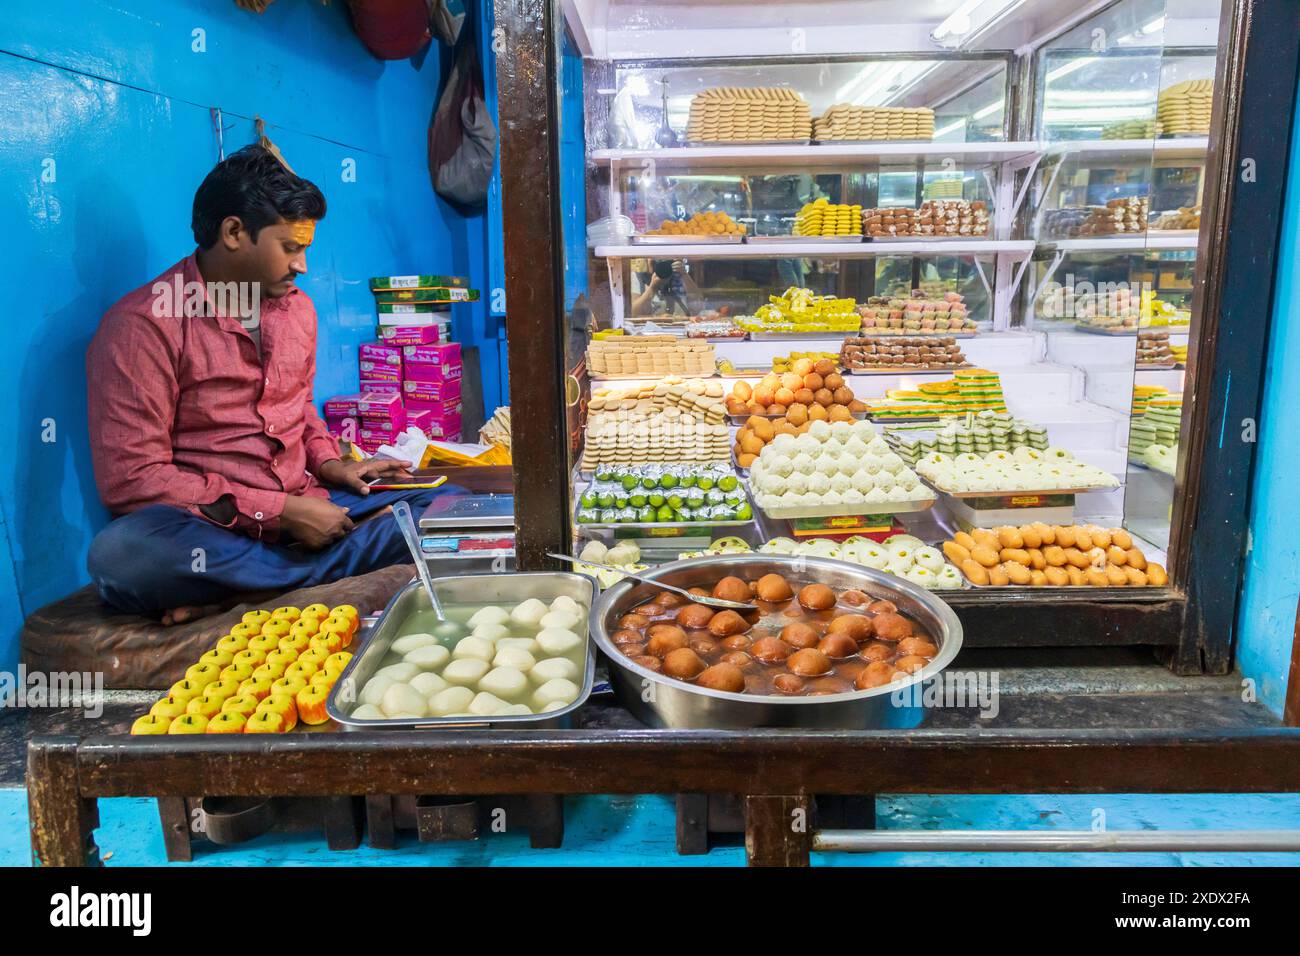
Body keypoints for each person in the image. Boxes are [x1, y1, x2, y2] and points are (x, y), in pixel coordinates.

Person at [85, 145, 449, 623]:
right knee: (122, 557)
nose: (303, 266)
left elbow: (300, 413)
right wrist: (279, 512)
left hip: (308, 504)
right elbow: (133, 479)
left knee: (449, 508)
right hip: (217, 531)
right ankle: (314, 569)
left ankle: (251, 589)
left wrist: (333, 465)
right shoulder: (144, 325)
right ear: (234, 232)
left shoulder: (297, 309)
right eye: (290, 248)